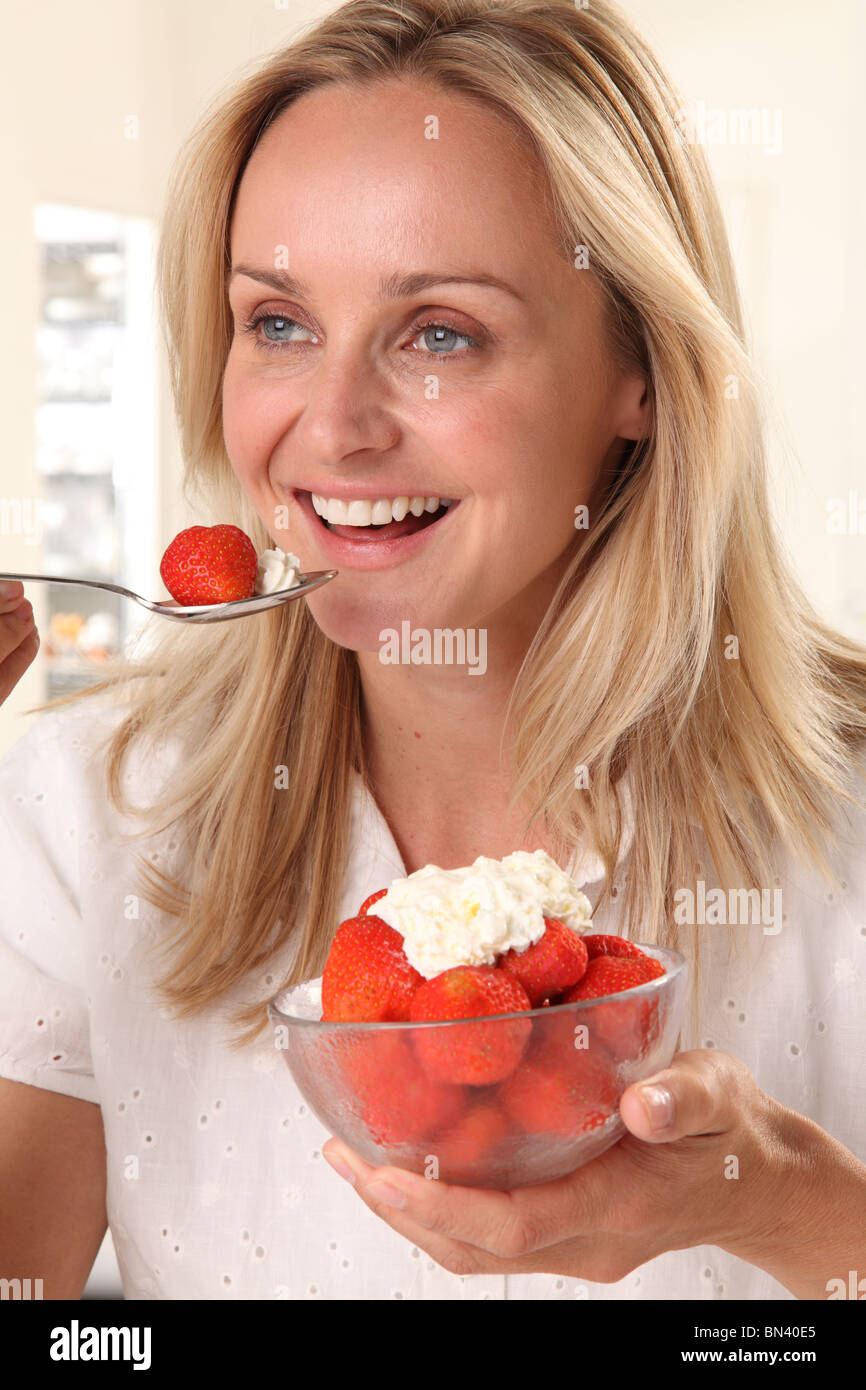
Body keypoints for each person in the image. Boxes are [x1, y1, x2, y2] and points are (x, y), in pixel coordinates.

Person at [2, 0, 865, 1302]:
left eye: (438, 333)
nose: (330, 428)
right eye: (278, 323)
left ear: (640, 372)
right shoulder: (87, 810)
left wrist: (789, 1205)